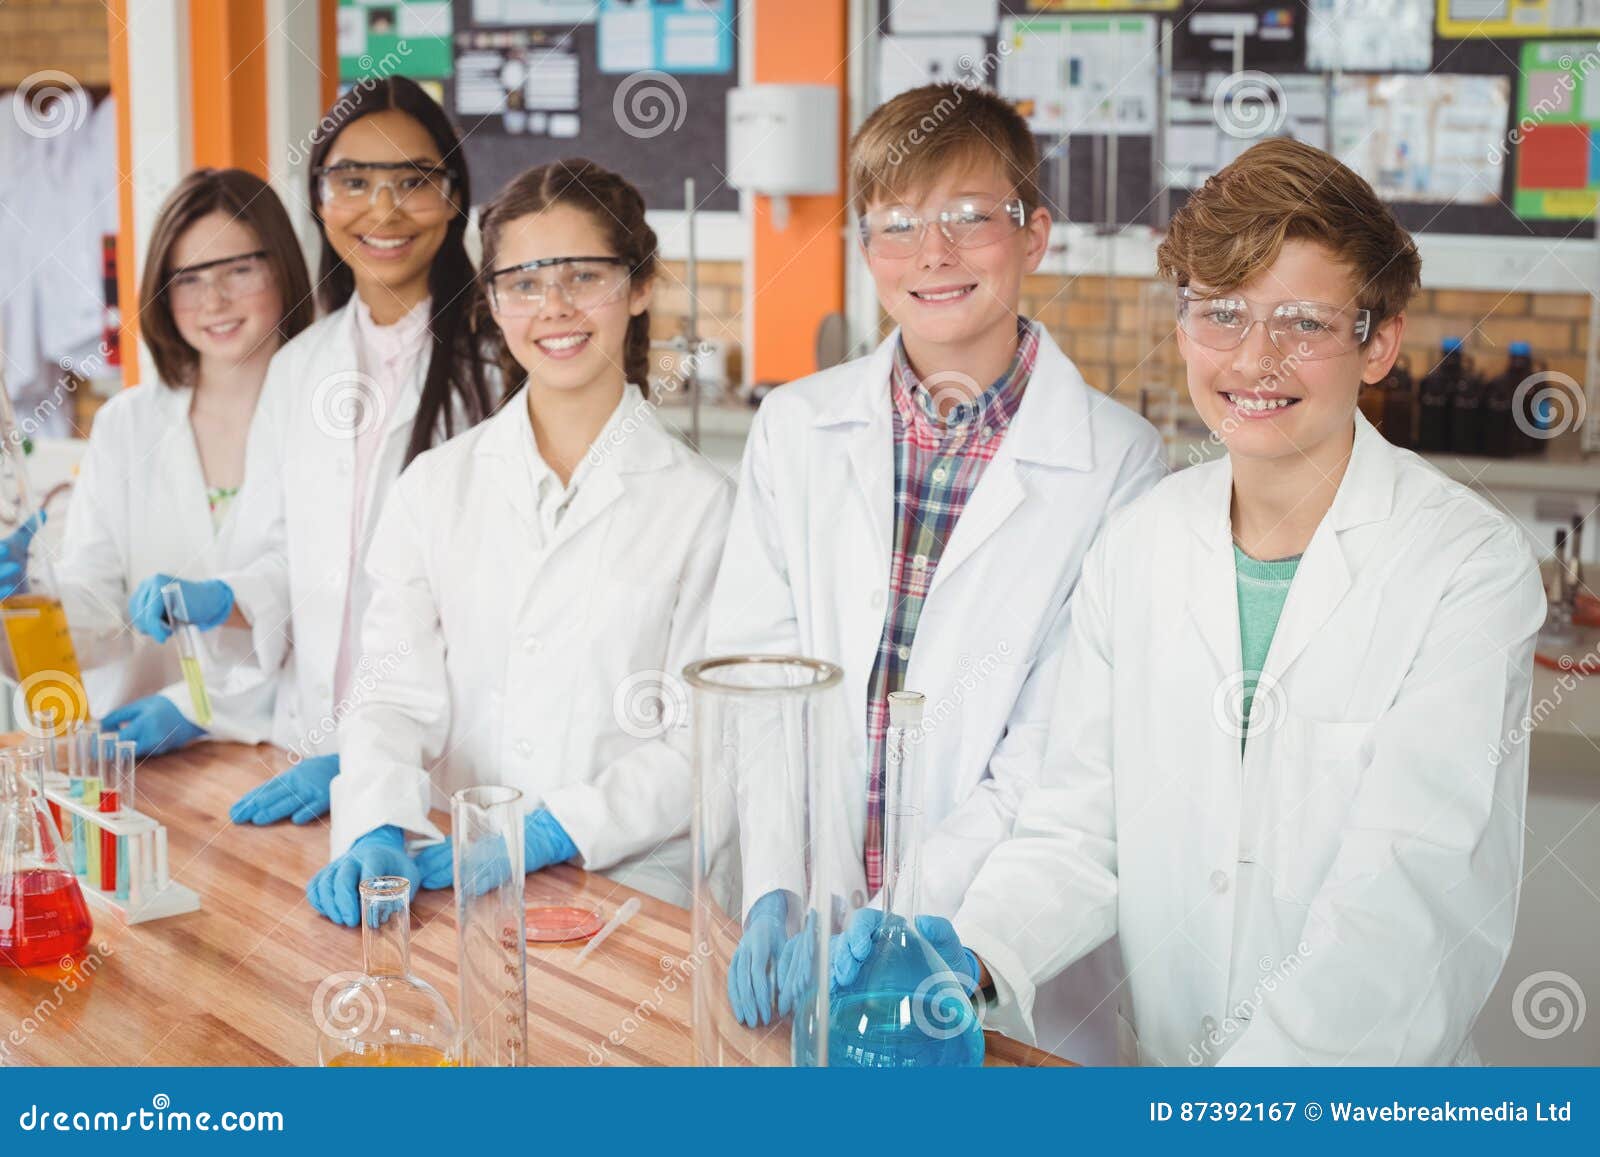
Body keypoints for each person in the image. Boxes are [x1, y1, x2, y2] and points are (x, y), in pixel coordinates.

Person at [841, 138, 1546, 1066]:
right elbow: (1078, 822)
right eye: (1222, 314)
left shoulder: (1466, 566)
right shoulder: (1141, 543)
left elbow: (1404, 898)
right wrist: (970, 961)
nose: (1255, 359)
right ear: (1182, 329)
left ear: (1378, 343)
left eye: (1302, 322)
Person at [706, 83, 1165, 1063]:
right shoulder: (796, 427)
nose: (933, 253)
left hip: (986, 964)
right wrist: (778, 884)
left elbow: (1051, 756)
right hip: (807, 956)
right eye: (898, 223)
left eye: (970, 218)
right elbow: (761, 680)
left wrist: (905, 926)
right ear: (865, 248)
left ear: (1034, 234)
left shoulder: (1118, 461)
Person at [305, 159, 733, 925]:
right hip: (448, 883)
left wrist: (548, 830)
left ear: (637, 287)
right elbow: (392, 696)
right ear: (494, 303)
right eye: (525, 284)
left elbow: (706, 747)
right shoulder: (434, 488)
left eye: (582, 276)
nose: (555, 307)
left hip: (626, 894)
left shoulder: (704, 507)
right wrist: (374, 819)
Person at [125, 77, 496, 824]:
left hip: (446, 775)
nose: (382, 210)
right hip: (303, 754)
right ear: (321, 199)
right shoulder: (301, 367)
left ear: (455, 196)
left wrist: (375, 758)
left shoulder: (496, 368)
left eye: (414, 181)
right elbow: (283, 552)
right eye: (353, 181)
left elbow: (494, 608)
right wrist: (228, 596)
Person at [0, 168, 312, 755]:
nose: (213, 301)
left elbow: (336, 610)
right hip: (142, 762)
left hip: (283, 752)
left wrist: (200, 706)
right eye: (188, 279)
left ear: (283, 267)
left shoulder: (329, 413)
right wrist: (27, 602)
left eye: (239, 270)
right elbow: (98, 602)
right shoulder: (127, 423)